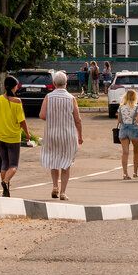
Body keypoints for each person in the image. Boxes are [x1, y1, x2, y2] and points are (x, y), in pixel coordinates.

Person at [39, 71, 82, 200]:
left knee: (54, 159)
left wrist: (52, 117)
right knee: (66, 162)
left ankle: (55, 186)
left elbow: (42, 115)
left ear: (54, 83)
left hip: (51, 134)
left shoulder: (48, 97)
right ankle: (63, 192)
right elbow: (77, 119)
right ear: (66, 83)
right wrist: (80, 135)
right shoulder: (71, 98)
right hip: (67, 135)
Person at [0, 75, 30, 197]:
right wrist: (27, 134)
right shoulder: (17, 102)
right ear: (14, 87)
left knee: (4, 164)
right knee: (13, 165)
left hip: (0, 136)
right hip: (13, 137)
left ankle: (5, 191)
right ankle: (5, 182)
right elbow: (22, 121)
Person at [117, 88, 138, 179]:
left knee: (125, 152)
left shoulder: (121, 107)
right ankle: (135, 172)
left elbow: (119, 120)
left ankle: (125, 173)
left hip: (123, 129)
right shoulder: (137, 107)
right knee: (136, 152)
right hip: (134, 128)